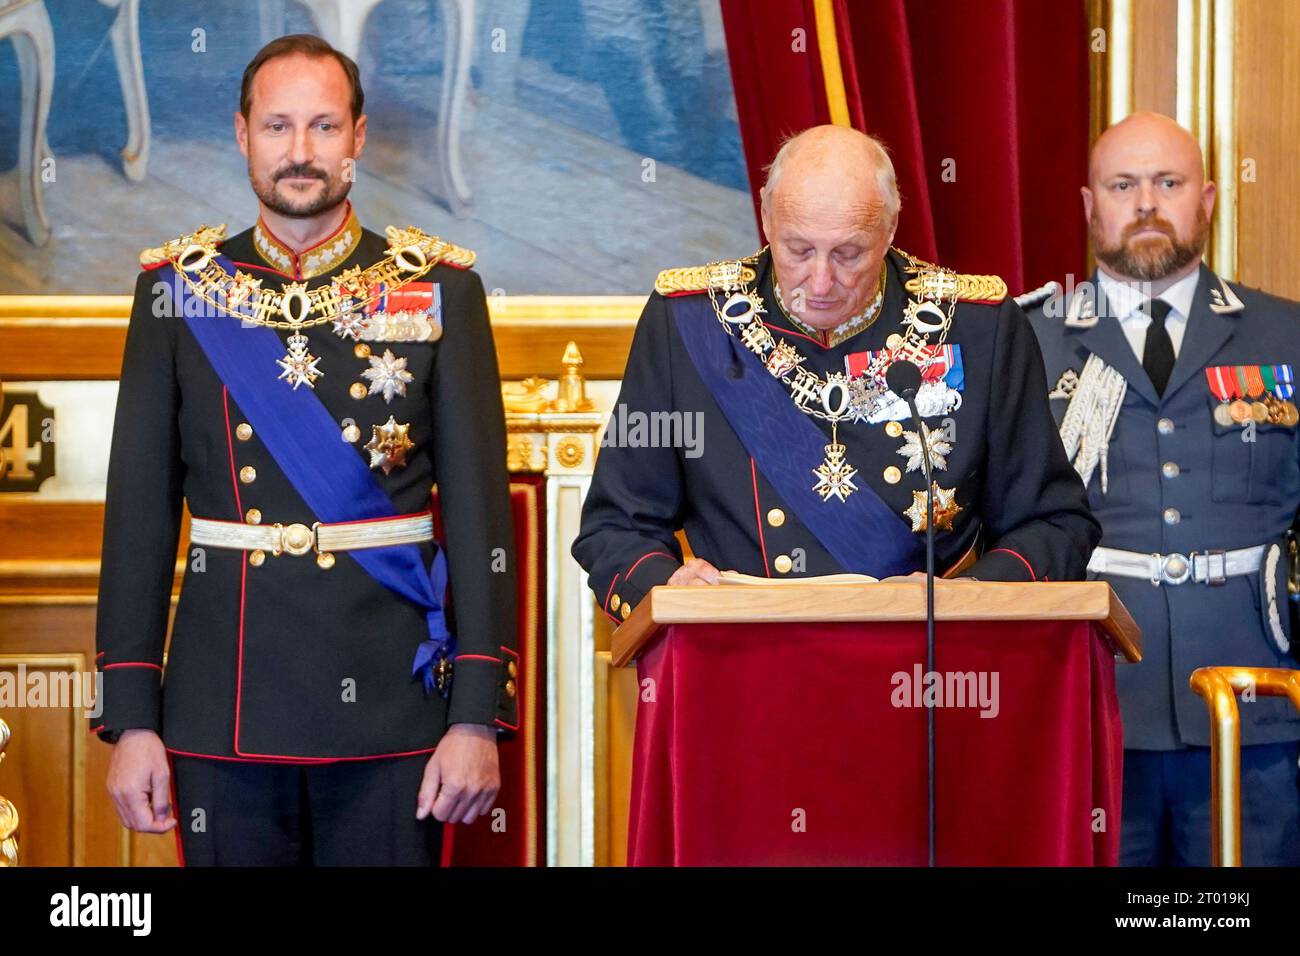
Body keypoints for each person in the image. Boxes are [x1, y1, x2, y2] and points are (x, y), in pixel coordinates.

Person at [95, 34, 518, 866]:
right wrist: (132, 716)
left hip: (396, 712)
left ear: (359, 137)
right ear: (242, 132)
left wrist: (475, 715)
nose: (299, 152)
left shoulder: (439, 290)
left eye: (323, 127)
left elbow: (479, 524)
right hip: (224, 709)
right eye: (277, 126)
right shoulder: (178, 292)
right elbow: (137, 520)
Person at [572, 124, 1099, 627]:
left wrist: (965, 602)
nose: (820, 282)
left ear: (890, 228)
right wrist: (671, 591)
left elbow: (1054, 525)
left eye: (848, 254)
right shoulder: (688, 324)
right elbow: (617, 527)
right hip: (744, 662)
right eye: (799, 250)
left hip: (926, 667)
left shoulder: (978, 327)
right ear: (765, 217)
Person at [1021, 111, 1300, 865]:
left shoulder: (1285, 336)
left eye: (1168, 183)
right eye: (1124, 184)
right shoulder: (1028, 344)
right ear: (1089, 206)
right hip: (1094, 696)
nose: (1146, 203)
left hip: (1255, 700)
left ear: (1208, 200)